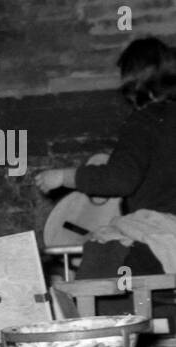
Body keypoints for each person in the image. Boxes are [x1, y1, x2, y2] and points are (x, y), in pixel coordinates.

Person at [34, 37, 176, 279]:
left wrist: (63, 176)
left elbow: (120, 179)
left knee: (99, 258)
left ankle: (87, 311)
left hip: (161, 235)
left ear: (135, 81)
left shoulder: (146, 121)